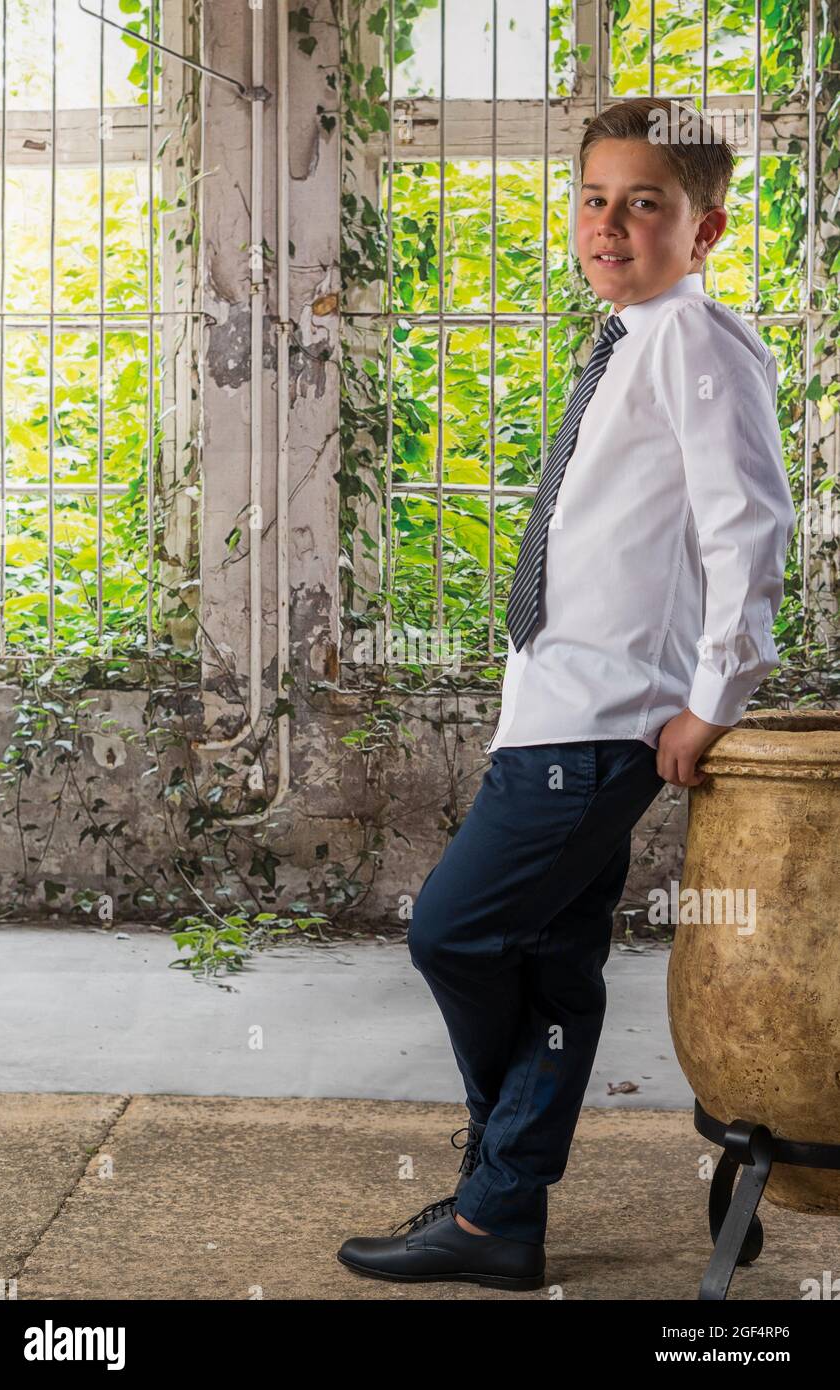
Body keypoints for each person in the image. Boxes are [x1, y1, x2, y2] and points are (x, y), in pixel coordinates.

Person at [336, 96, 797, 1292]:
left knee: (452, 931)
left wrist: (713, 697)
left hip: (605, 723)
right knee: (548, 968)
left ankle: (495, 1189)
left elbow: (747, 528)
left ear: (702, 231)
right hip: (554, 712)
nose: (608, 224)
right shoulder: (632, 341)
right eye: (593, 199)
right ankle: (502, 1227)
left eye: (645, 203)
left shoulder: (694, 340)